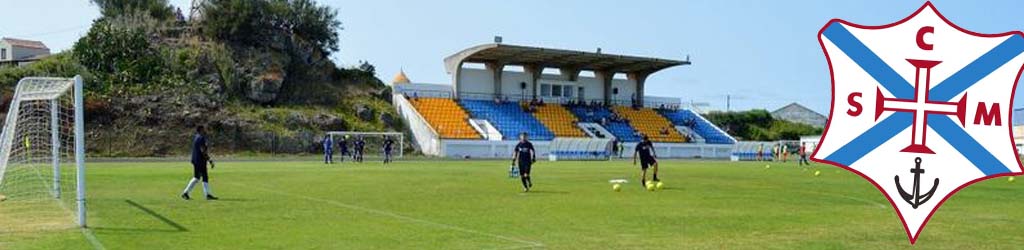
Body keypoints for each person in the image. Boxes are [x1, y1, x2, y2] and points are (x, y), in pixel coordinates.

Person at [181, 125, 218, 200]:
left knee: (197, 177)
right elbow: (203, 150)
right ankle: (207, 194)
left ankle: (186, 193)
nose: (205, 130)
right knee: (203, 177)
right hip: (200, 160)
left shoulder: (197, 137)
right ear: (201, 130)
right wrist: (209, 159)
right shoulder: (201, 138)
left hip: (196, 160)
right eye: (204, 129)